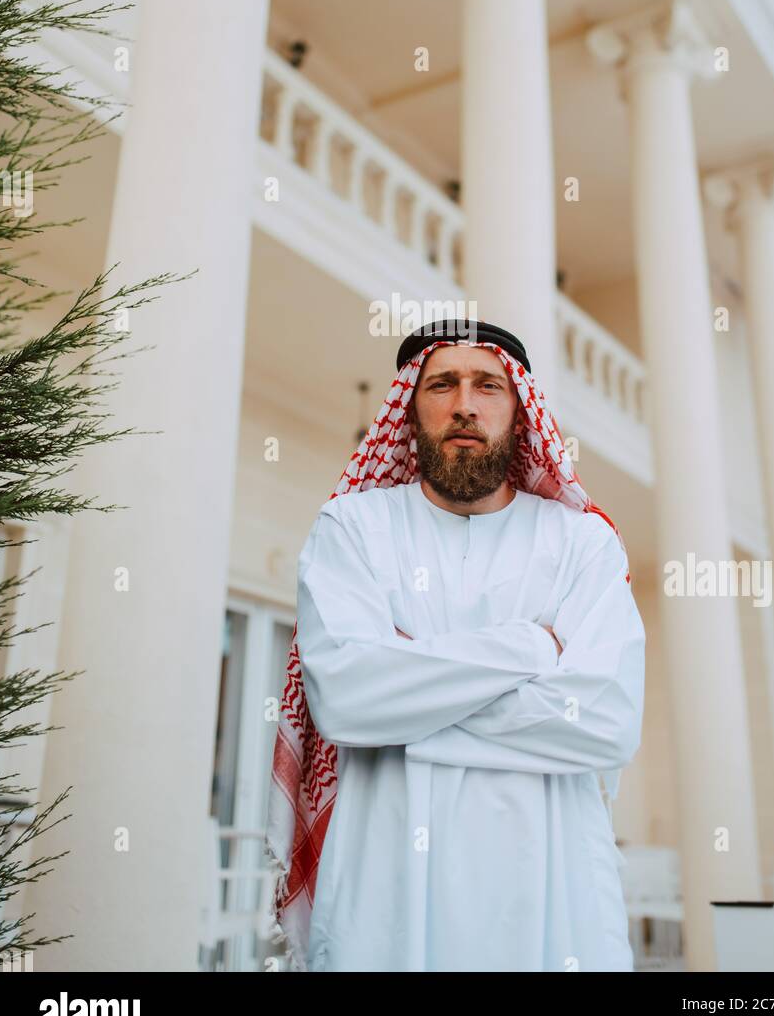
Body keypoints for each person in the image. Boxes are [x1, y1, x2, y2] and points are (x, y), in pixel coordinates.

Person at [264, 319, 645, 972]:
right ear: (410, 406)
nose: (464, 403)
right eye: (442, 383)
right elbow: (350, 702)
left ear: (518, 407)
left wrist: (409, 696)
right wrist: (530, 648)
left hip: (554, 905)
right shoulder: (354, 528)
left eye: (486, 385)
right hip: (386, 899)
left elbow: (605, 722)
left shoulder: (581, 543)